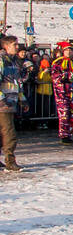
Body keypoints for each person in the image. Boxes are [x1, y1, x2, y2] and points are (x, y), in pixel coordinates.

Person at [0, 32, 24, 172]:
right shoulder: (2, 60)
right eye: (14, 44)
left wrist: (22, 99)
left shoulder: (14, 61)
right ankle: (10, 160)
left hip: (11, 101)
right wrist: (2, 99)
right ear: (6, 46)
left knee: (2, 132)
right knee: (9, 133)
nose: (17, 46)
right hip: (3, 103)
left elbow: (17, 83)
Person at [51, 40, 73, 144]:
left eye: (70, 50)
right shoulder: (57, 62)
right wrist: (69, 76)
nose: (68, 52)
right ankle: (63, 135)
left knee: (71, 113)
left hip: (72, 91)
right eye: (66, 50)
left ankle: (69, 133)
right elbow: (56, 77)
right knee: (64, 112)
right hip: (61, 92)